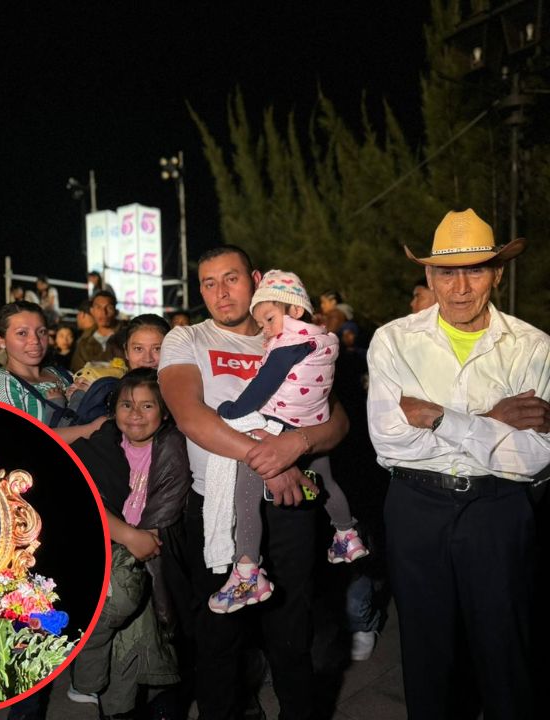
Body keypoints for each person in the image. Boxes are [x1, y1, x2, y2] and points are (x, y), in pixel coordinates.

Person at [366, 208, 549, 719]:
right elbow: (389, 441)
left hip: (500, 509)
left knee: (505, 654)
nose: (461, 287)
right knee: (427, 656)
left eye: (475, 270)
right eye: (447, 272)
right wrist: (493, 419)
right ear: (429, 276)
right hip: (415, 507)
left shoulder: (534, 347)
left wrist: (436, 417)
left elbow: (535, 457)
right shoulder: (393, 340)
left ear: (497, 274)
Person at [158, 245, 348, 719]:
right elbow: (191, 417)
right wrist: (273, 460)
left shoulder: (293, 335)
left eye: (232, 278)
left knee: (292, 634)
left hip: (289, 507)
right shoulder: (186, 339)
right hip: (217, 508)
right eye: (208, 283)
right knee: (219, 641)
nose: (221, 293)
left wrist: (295, 447)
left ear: (257, 278)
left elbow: (337, 422)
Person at [209, 270, 367, 613]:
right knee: (326, 481)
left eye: (268, 318)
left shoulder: (287, 346)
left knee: (245, 497)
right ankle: (346, 534)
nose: (265, 328)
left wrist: (231, 409)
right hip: (313, 422)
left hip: (279, 423)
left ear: (294, 312)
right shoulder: (324, 341)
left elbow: (261, 387)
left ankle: (248, 572)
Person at [67, 369, 189, 717]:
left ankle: (109, 700)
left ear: (164, 412)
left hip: (152, 553)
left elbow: (166, 507)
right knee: (119, 609)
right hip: (108, 546)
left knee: (130, 647)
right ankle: (90, 679)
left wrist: (137, 538)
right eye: (126, 405)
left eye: (147, 406)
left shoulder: (172, 447)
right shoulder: (103, 444)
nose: (135, 415)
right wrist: (123, 534)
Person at [0, 301, 105, 443]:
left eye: (41, 332)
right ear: (1, 341)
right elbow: (18, 441)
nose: (35, 340)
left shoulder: (63, 374)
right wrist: (93, 428)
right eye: (22, 333)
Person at [71, 290, 121, 371]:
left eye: (109, 307)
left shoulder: (127, 337)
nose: (103, 312)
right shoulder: (84, 342)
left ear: (115, 311)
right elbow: (77, 371)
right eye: (98, 307)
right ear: (92, 311)